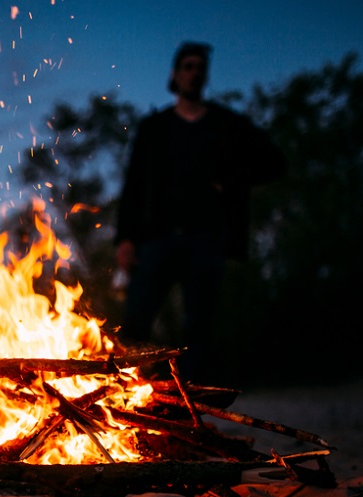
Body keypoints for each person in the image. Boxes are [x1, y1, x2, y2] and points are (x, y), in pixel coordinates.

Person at [114, 42, 286, 383]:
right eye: (188, 66)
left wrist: (231, 182)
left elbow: (275, 161)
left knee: (198, 328)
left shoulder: (226, 123)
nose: (194, 73)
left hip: (206, 239)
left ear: (205, 76)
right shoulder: (155, 127)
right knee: (136, 320)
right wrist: (124, 239)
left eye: (200, 68)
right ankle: (120, 390)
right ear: (175, 75)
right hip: (157, 238)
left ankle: (191, 399)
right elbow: (133, 185)